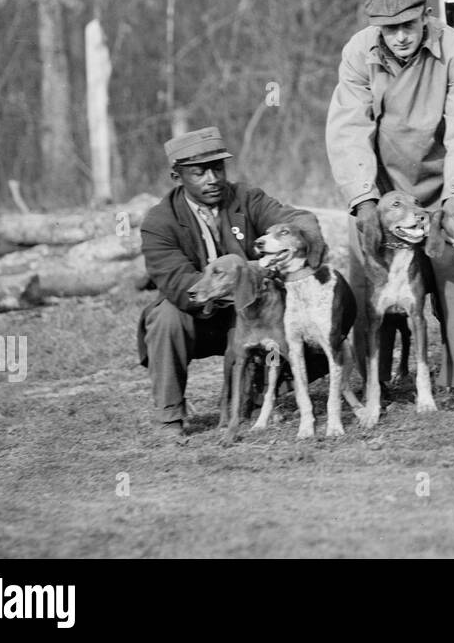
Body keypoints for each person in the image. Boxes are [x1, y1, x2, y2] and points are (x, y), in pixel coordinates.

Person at [325, 0, 454, 402]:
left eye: (408, 25)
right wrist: (363, 198)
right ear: (377, 29)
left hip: (444, 180)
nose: (400, 37)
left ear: (426, 16)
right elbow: (348, 128)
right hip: (383, 188)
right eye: (389, 29)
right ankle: (375, 379)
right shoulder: (357, 53)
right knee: (368, 275)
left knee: (453, 273)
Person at [138, 126, 322, 443]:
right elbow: (180, 285)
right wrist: (251, 272)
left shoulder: (247, 198)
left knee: (311, 304)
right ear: (177, 177)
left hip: (253, 312)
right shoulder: (159, 222)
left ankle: (266, 390)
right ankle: (170, 417)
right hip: (201, 316)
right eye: (199, 172)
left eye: (218, 168)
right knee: (165, 319)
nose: (213, 179)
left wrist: (303, 246)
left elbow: (296, 219)